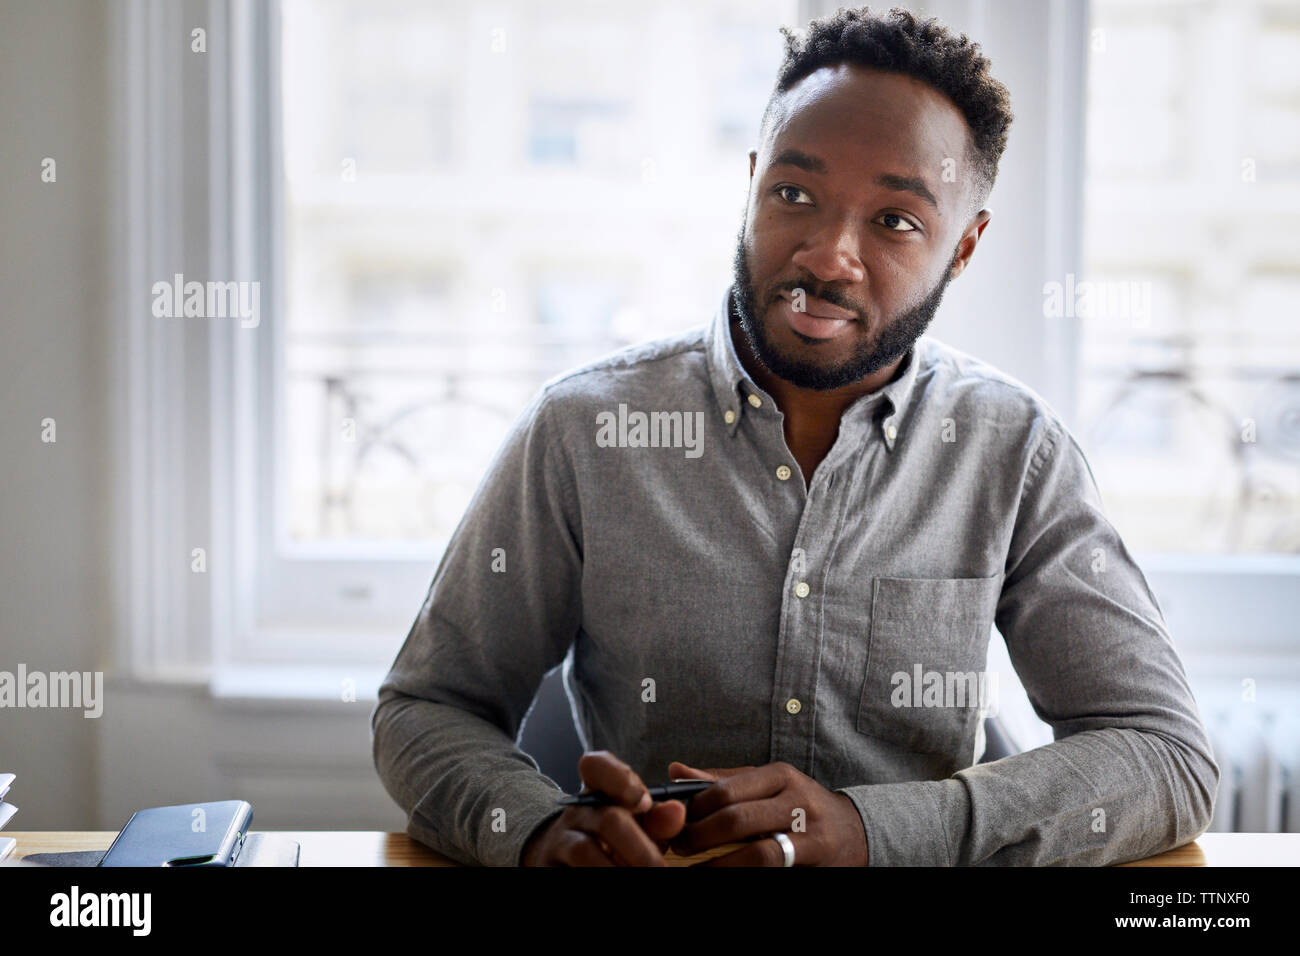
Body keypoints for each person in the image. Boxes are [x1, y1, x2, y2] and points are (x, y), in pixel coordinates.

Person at [371, 6, 1218, 867]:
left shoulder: (1013, 450)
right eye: (795, 194)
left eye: (895, 221)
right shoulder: (584, 431)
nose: (827, 255)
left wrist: (868, 830)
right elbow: (427, 708)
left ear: (963, 248)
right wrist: (541, 831)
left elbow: (1168, 757)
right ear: (750, 186)